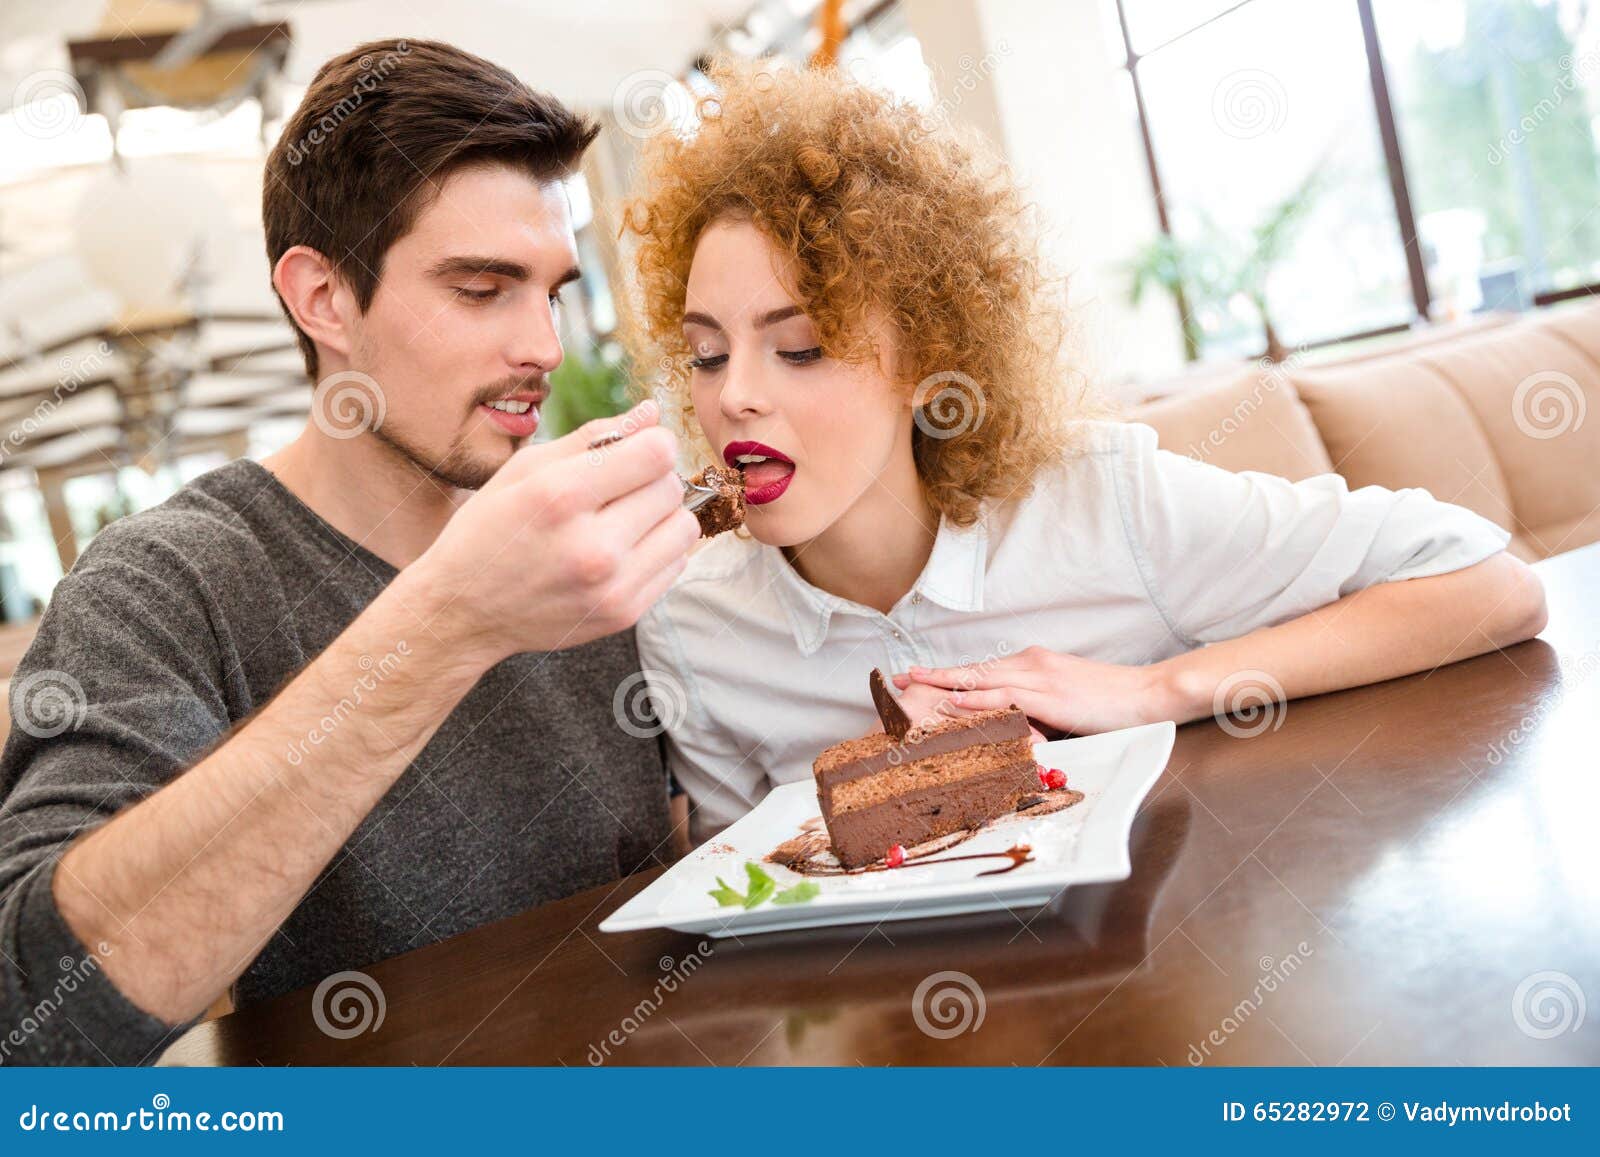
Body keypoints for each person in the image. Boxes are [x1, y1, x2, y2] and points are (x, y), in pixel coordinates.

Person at [626, 58, 1548, 842]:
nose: (733, 394)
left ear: (928, 361)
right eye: (707, 354)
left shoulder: (1107, 504)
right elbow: (740, 895)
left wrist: (1151, 691)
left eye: (800, 347)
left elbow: (1489, 584)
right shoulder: (693, 627)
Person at [0, 39, 699, 1065]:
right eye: (481, 289)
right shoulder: (165, 583)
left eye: (553, 291)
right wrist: (450, 620)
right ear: (322, 298)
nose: (545, 348)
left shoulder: (596, 542)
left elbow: (689, 857)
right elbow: (38, 1023)